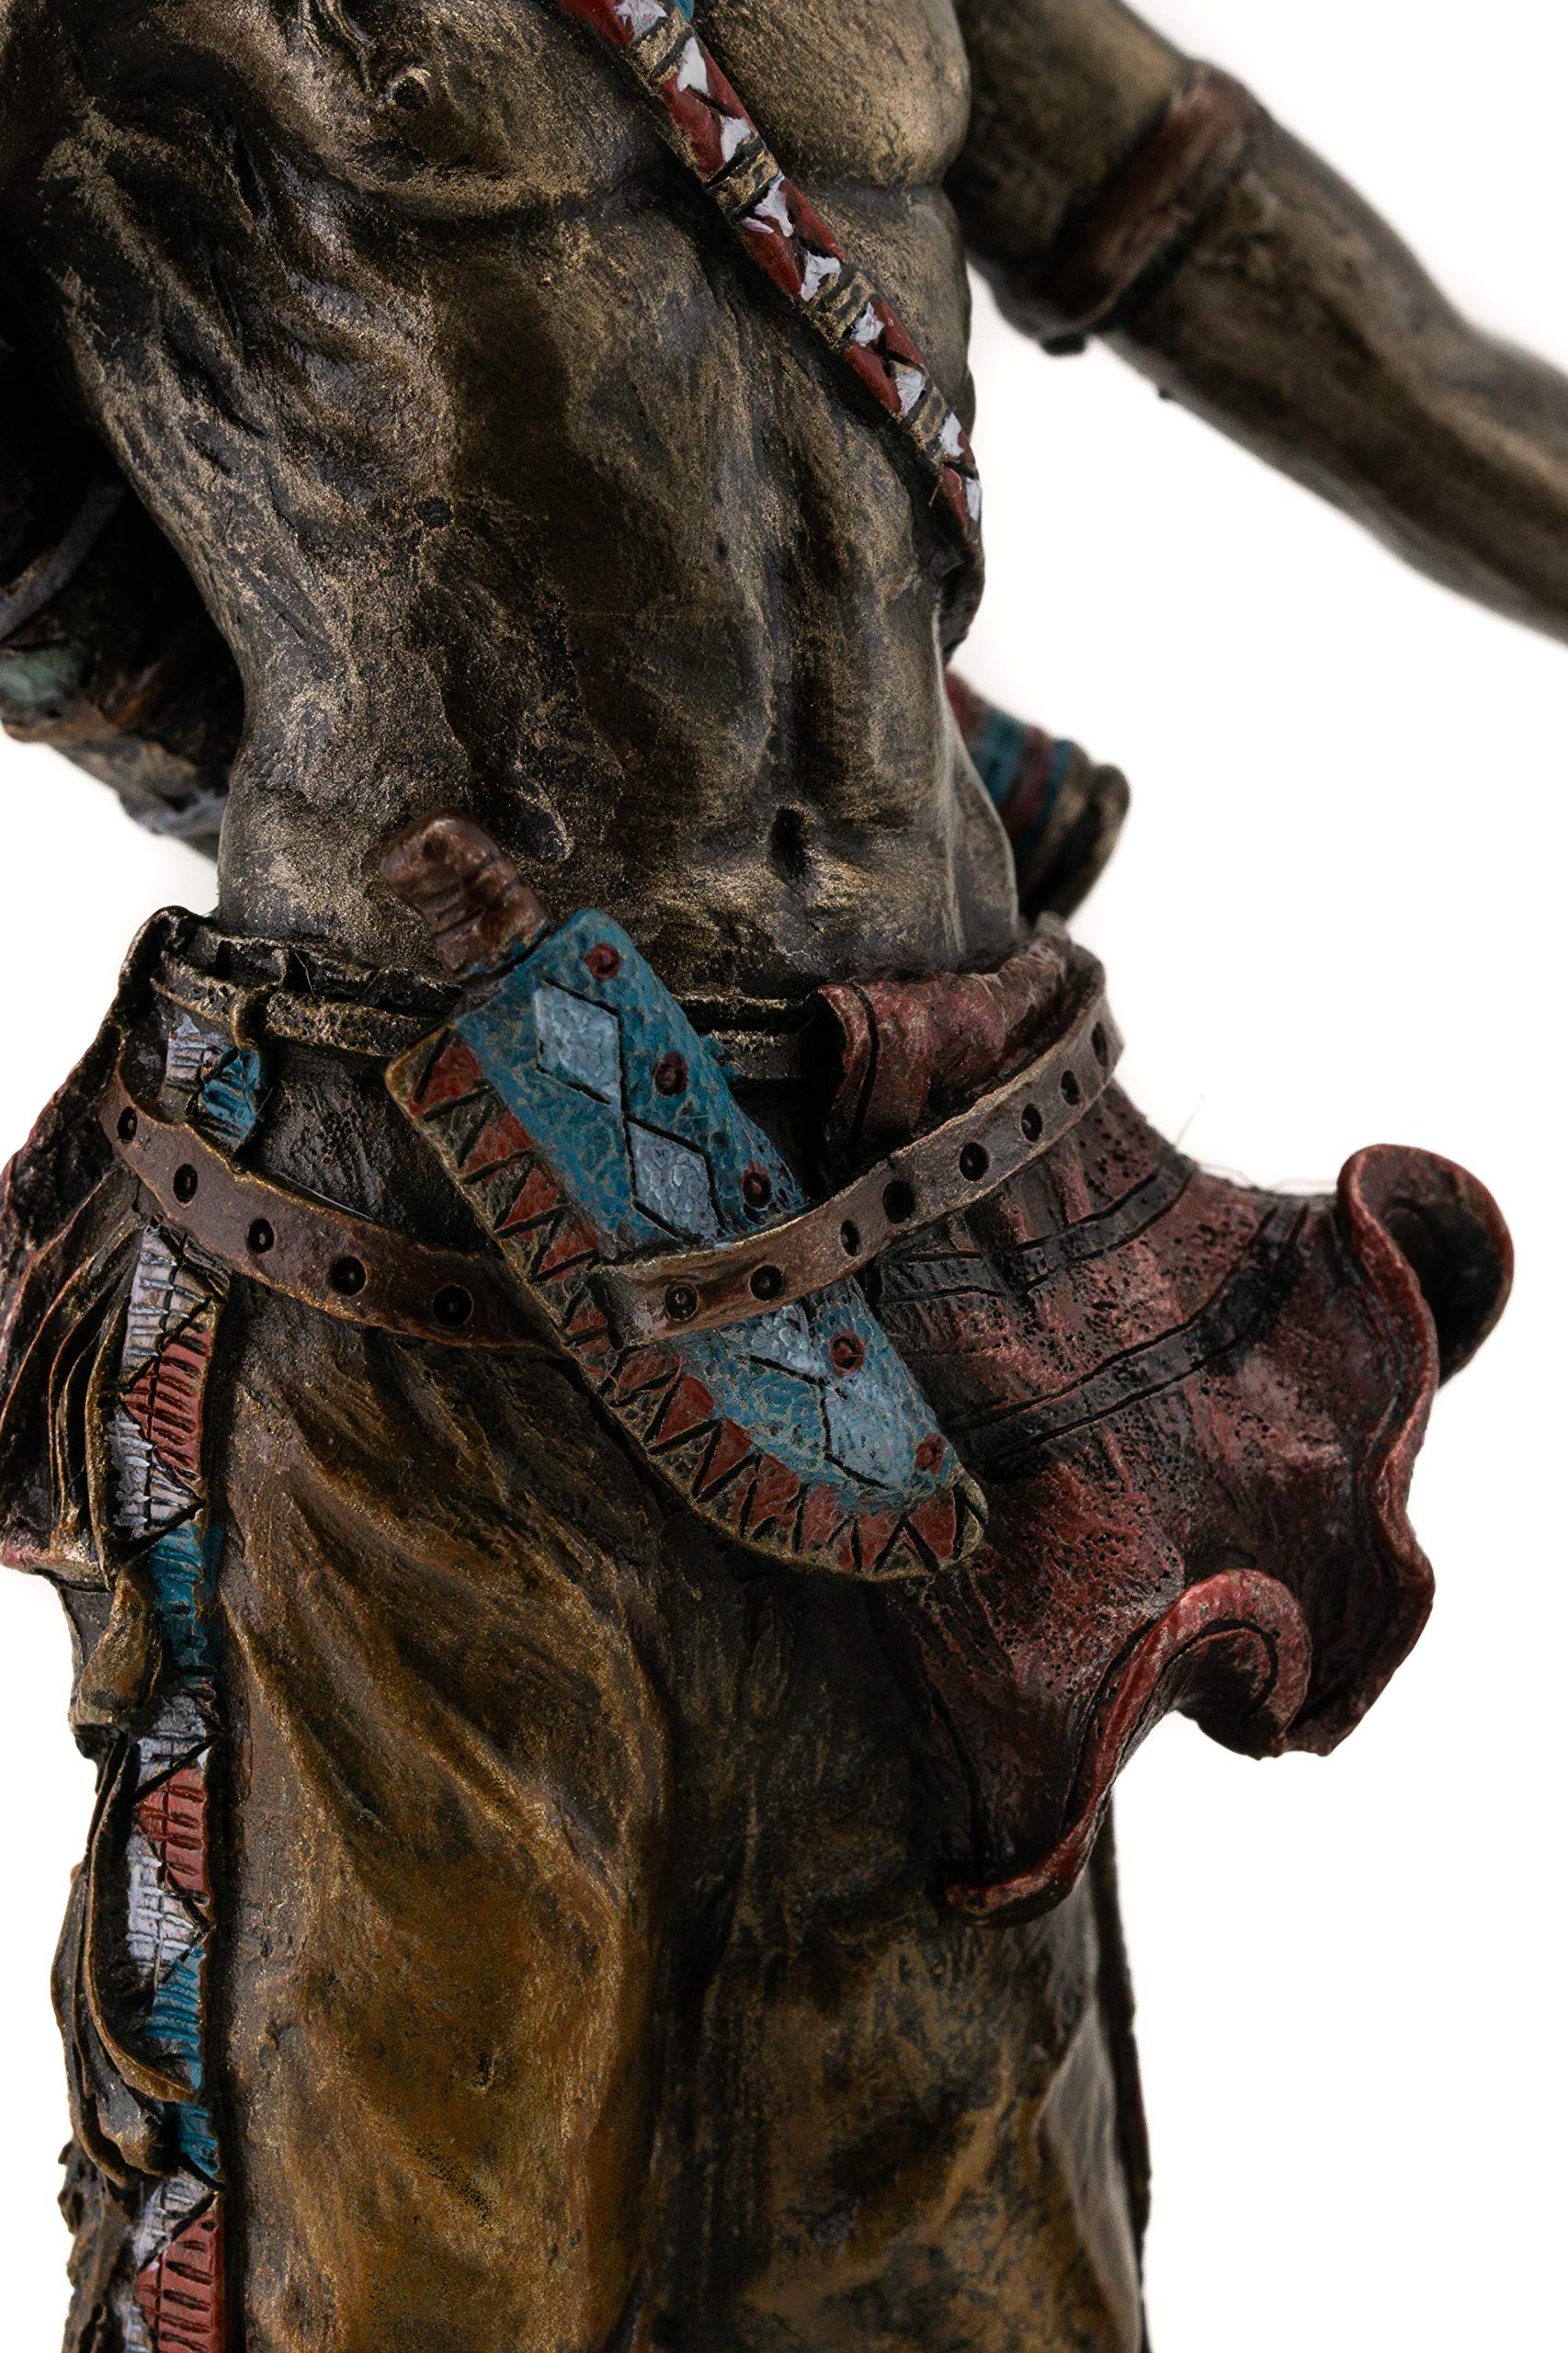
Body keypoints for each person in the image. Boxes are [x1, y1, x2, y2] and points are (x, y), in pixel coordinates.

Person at [0, 4, 1553, 2347]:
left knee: (973, 2258)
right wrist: (377, 809)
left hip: (940, 1252)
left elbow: (1302, 293)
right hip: (413, 1275)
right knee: (399, 2259)